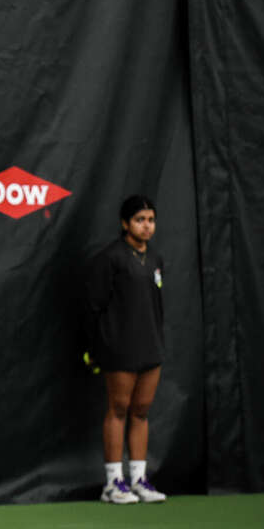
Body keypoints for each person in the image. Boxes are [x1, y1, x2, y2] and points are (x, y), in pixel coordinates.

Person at [82, 195, 168, 505]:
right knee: (118, 410)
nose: (147, 226)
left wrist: (157, 339)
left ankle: (138, 480)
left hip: (151, 348)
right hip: (119, 348)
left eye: (151, 220)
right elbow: (94, 306)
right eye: (140, 220)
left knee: (141, 412)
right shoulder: (110, 259)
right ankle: (112, 484)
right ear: (125, 223)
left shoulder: (156, 259)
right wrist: (94, 347)